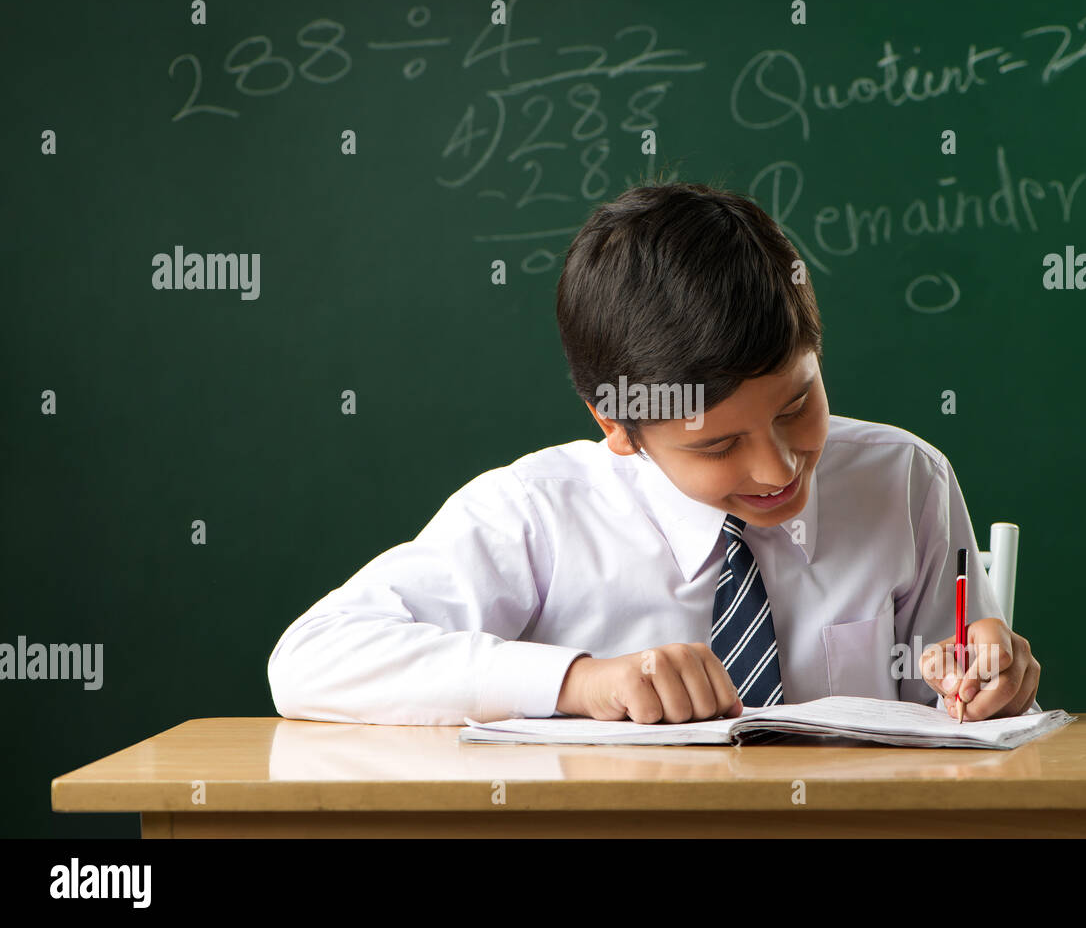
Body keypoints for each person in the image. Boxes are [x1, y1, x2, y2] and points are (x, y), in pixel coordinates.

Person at [267, 182, 1042, 725]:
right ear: (619, 425)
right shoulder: (537, 514)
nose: (778, 468)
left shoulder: (905, 481)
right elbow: (310, 659)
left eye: (798, 404)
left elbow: (964, 714)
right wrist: (580, 681)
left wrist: (990, 687)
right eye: (718, 443)